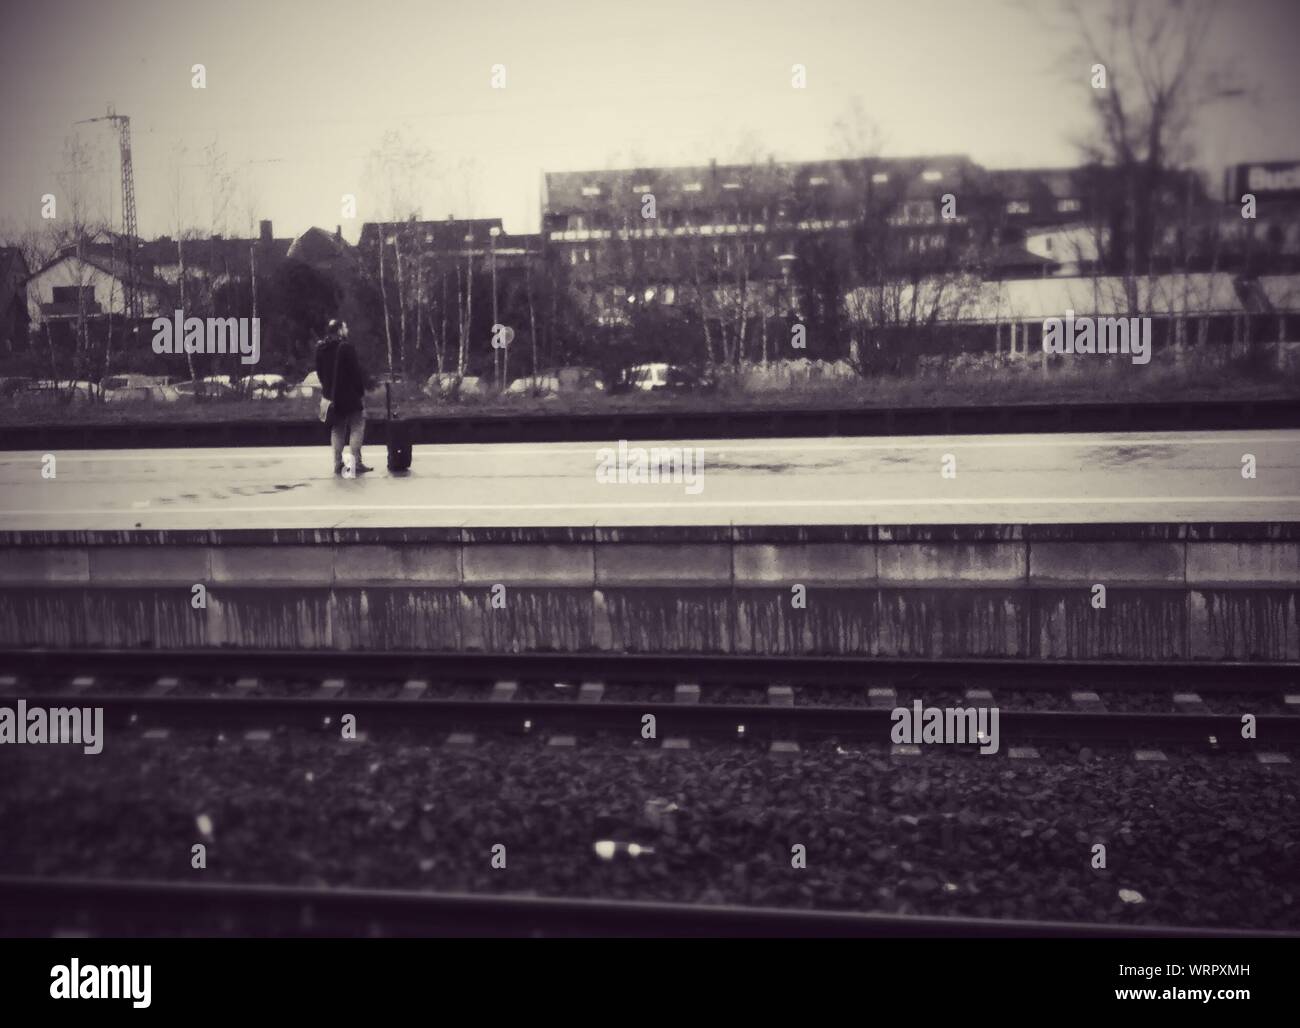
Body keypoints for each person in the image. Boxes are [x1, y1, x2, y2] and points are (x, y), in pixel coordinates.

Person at [315, 319, 373, 476]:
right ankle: (356, 463)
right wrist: (360, 392)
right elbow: (355, 373)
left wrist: (328, 389)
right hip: (349, 395)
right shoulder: (346, 347)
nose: (347, 330)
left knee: (337, 428)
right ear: (339, 330)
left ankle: (337, 463)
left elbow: (319, 373)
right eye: (345, 327)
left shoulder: (321, 349)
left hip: (330, 397)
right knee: (357, 425)